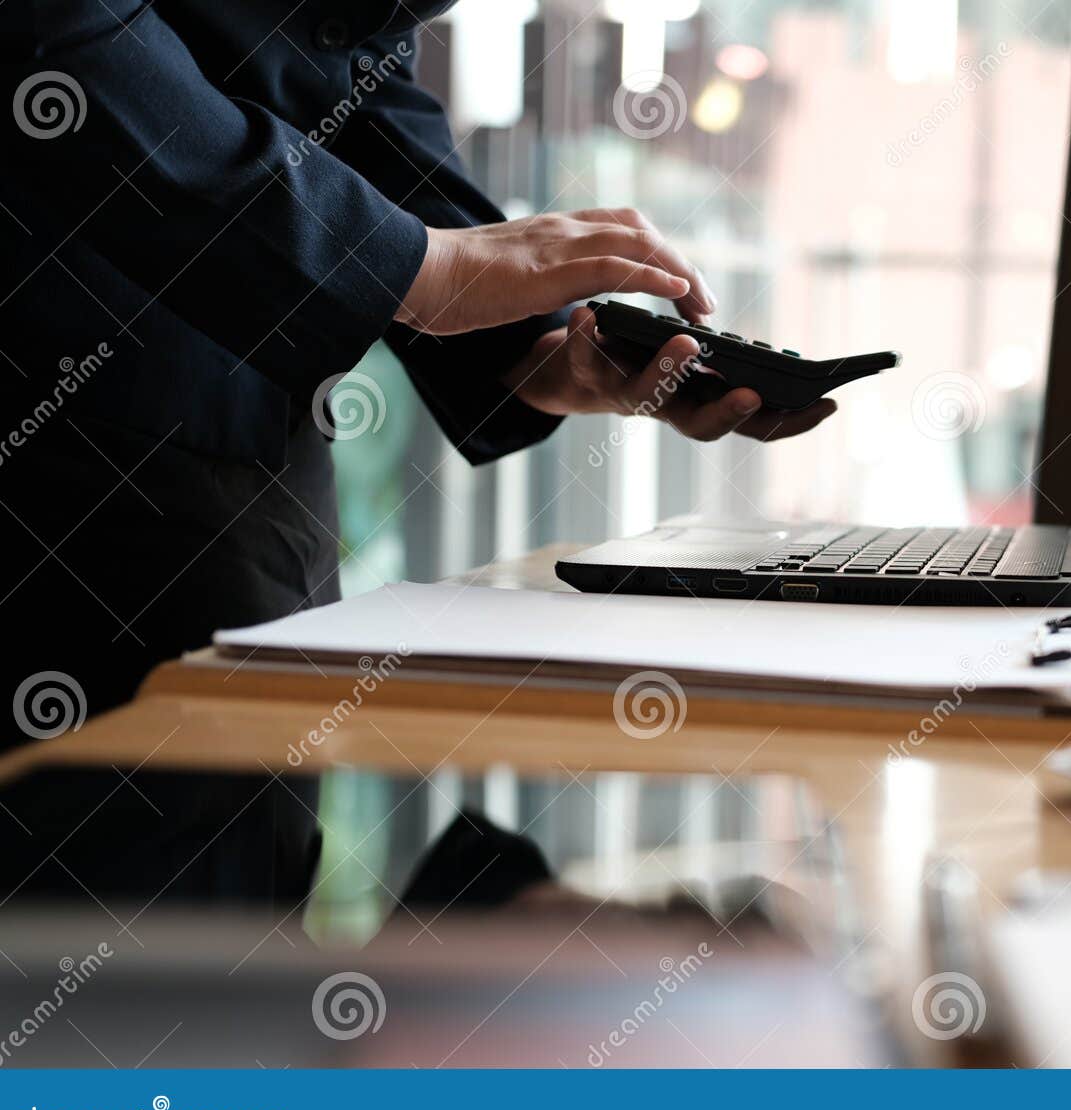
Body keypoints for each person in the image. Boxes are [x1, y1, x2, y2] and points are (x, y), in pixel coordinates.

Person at [0, 1, 835, 750]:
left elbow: (341, 57)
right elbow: (51, 31)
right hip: (62, 481)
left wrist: (538, 352)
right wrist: (418, 269)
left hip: (245, 498)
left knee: (237, 879)